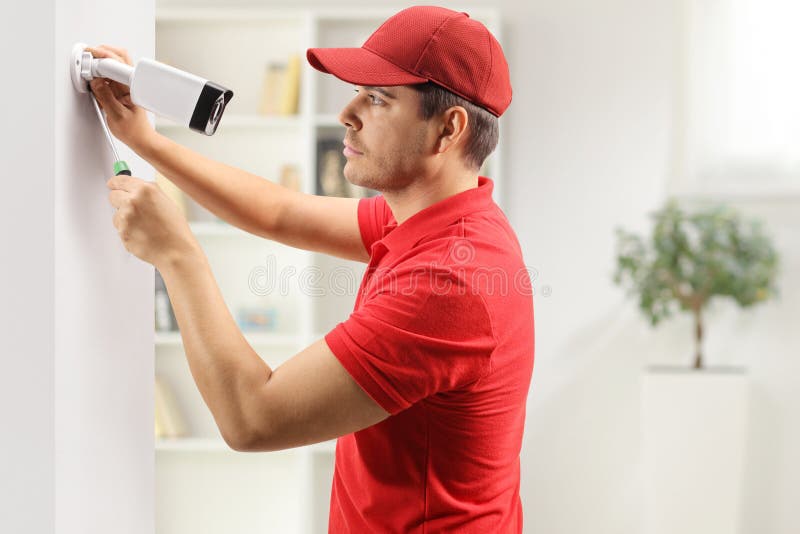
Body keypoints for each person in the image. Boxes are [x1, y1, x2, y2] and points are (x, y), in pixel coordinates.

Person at [89, 5, 534, 532]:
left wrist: (177, 256)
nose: (346, 112)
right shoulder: (445, 221)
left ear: (448, 130)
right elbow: (280, 212)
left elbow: (252, 418)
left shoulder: (450, 282)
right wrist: (146, 141)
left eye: (376, 98)